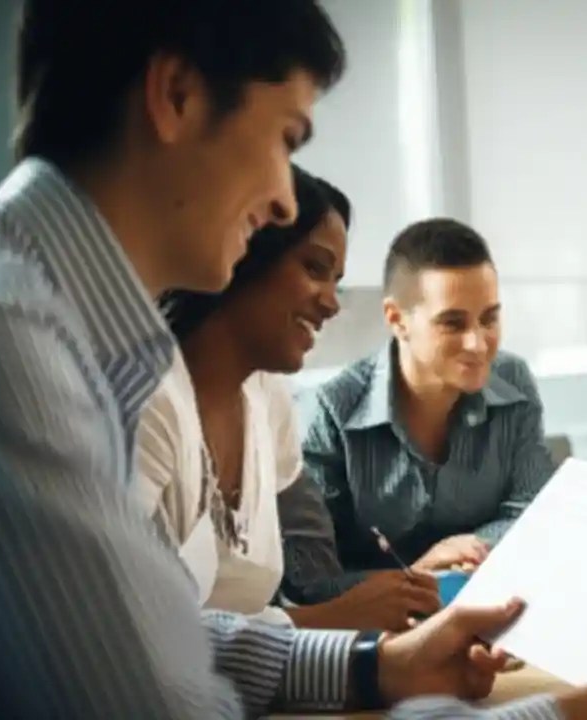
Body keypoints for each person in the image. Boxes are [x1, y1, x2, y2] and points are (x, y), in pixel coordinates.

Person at [0, 2, 587, 718]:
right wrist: (573, 718)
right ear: (175, 96)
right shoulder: (0, 342)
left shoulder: (48, 317)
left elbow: (165, 636)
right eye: (285, 139)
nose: (281, 199)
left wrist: (375, 665)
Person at [134, 164, 441, 631]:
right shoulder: (144, 401)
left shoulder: (268, 398)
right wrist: (326, 622)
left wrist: (393, 594)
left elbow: (313, 570)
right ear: (245, 251)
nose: (333, 303)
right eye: (315, 269)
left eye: (337, 281)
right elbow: (128, 633)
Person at [300, 218, 554, 577]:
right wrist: (420, 574)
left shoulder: (514, 380)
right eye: (453, 323)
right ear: (397, 319)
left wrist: (467, 550)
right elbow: (312, 581)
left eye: (489, 319)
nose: (478, 344)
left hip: (489, 596)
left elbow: (530, 509)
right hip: (375, 626)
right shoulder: (330, 413)